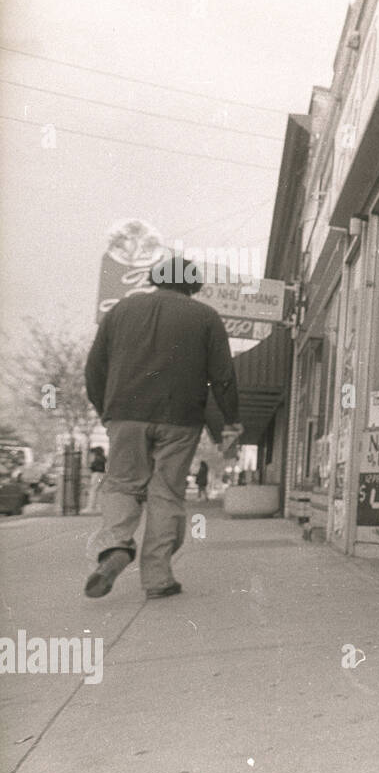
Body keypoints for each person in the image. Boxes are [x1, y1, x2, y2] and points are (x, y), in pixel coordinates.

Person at [83, 252, 242, 600]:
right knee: (166, 493)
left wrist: (106, 411)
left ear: (155, 279)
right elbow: (223, 378)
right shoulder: (206, 316)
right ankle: (157, 578)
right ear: (192, 286)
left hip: (125, 414)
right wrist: (230, 421)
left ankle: (116, 547)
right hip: (181, 418)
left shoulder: (121, 310)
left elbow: (94, 369)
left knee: (122, 485)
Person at [85, 446, 106, 512]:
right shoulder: (103, 458)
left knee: (93, 490)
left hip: (97, 475)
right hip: (102, 476)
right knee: (99, 489)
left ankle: (90, 507)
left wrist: (90, 466)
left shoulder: (97, 459)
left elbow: (93, 467)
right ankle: (99, 507)